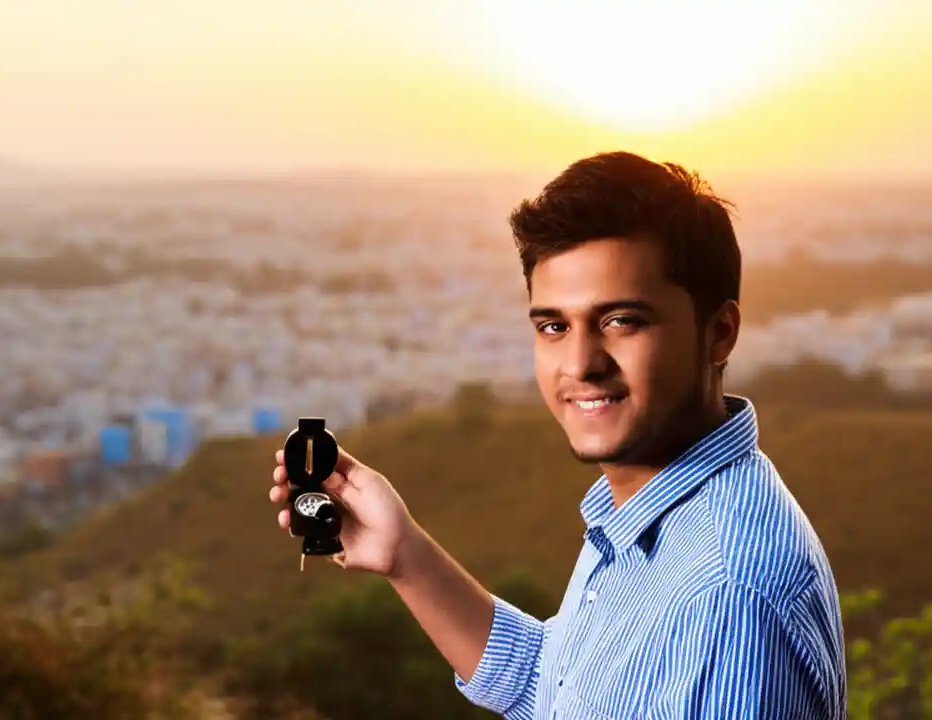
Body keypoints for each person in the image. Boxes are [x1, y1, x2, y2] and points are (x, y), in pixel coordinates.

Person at [268, 151, 846, 719]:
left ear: (719, 333)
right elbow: (558, 687)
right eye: (553, 326)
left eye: (622, 321)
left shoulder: (724, 599)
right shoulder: (652, 518)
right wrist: (405, 557)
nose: (581, 363)